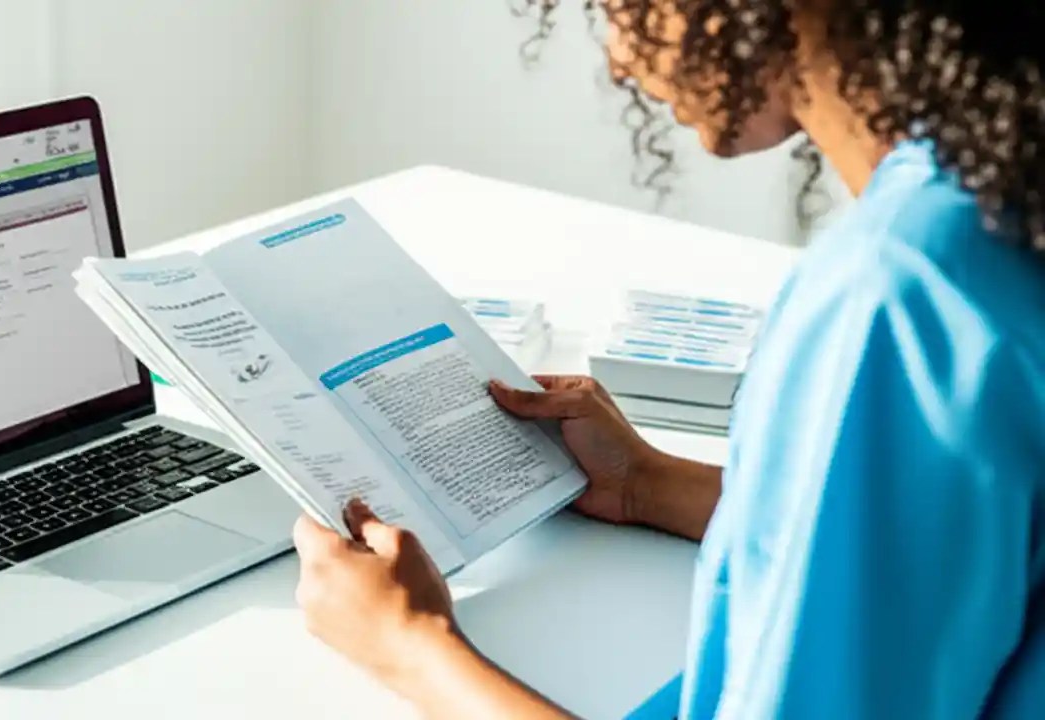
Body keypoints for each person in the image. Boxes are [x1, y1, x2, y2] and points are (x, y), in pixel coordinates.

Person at [292, 1, 1045, 718]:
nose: (620, 60)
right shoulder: (994, 202)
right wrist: (647, 484)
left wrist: (410, 650)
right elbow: (942, 555)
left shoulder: (894, 294)